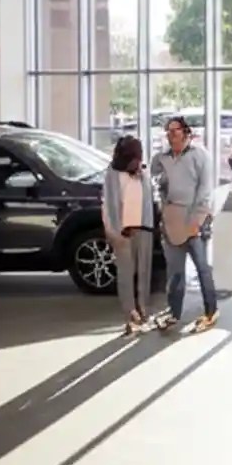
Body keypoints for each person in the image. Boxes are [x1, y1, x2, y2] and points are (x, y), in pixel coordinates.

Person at [153, 116, 219, 333]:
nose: (171, 135)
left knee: (202, 267)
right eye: (168, 132)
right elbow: (154, 180)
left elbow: (205, 190)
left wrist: (197, 221)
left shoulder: (200, 156)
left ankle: (211, 311)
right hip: (171, 218)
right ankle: (174, 311)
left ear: (186, 132)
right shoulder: (162, 158)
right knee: (175, 270)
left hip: (194, 219)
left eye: (175, 131)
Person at [101, 135, 155, 335]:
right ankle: (130, 314)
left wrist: (143, 175)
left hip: (143, 227)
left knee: (144, 272)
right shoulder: (112, 174)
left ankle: (144, 311)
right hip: (121, 229)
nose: (137, 160)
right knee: (125, 273)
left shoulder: (143, 172)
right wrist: (111, 230)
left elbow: (149, 199)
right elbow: (107, 203)